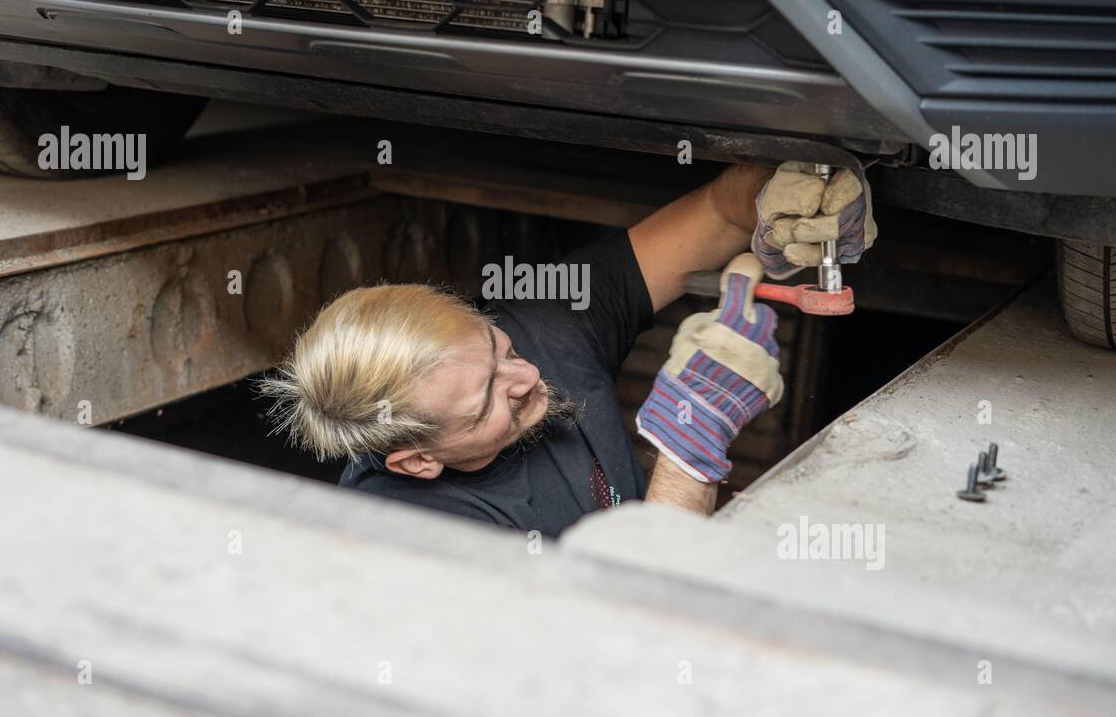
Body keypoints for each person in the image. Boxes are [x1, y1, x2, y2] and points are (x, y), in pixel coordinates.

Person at [262, 161, 875, 537]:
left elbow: (718, 210)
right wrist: (691, 443)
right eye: (487, 403)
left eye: (498, 346)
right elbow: (633, 634)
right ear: (417, 461)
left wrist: (780, 202)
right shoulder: (419, 542)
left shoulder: (534, 337)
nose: (527, 375)